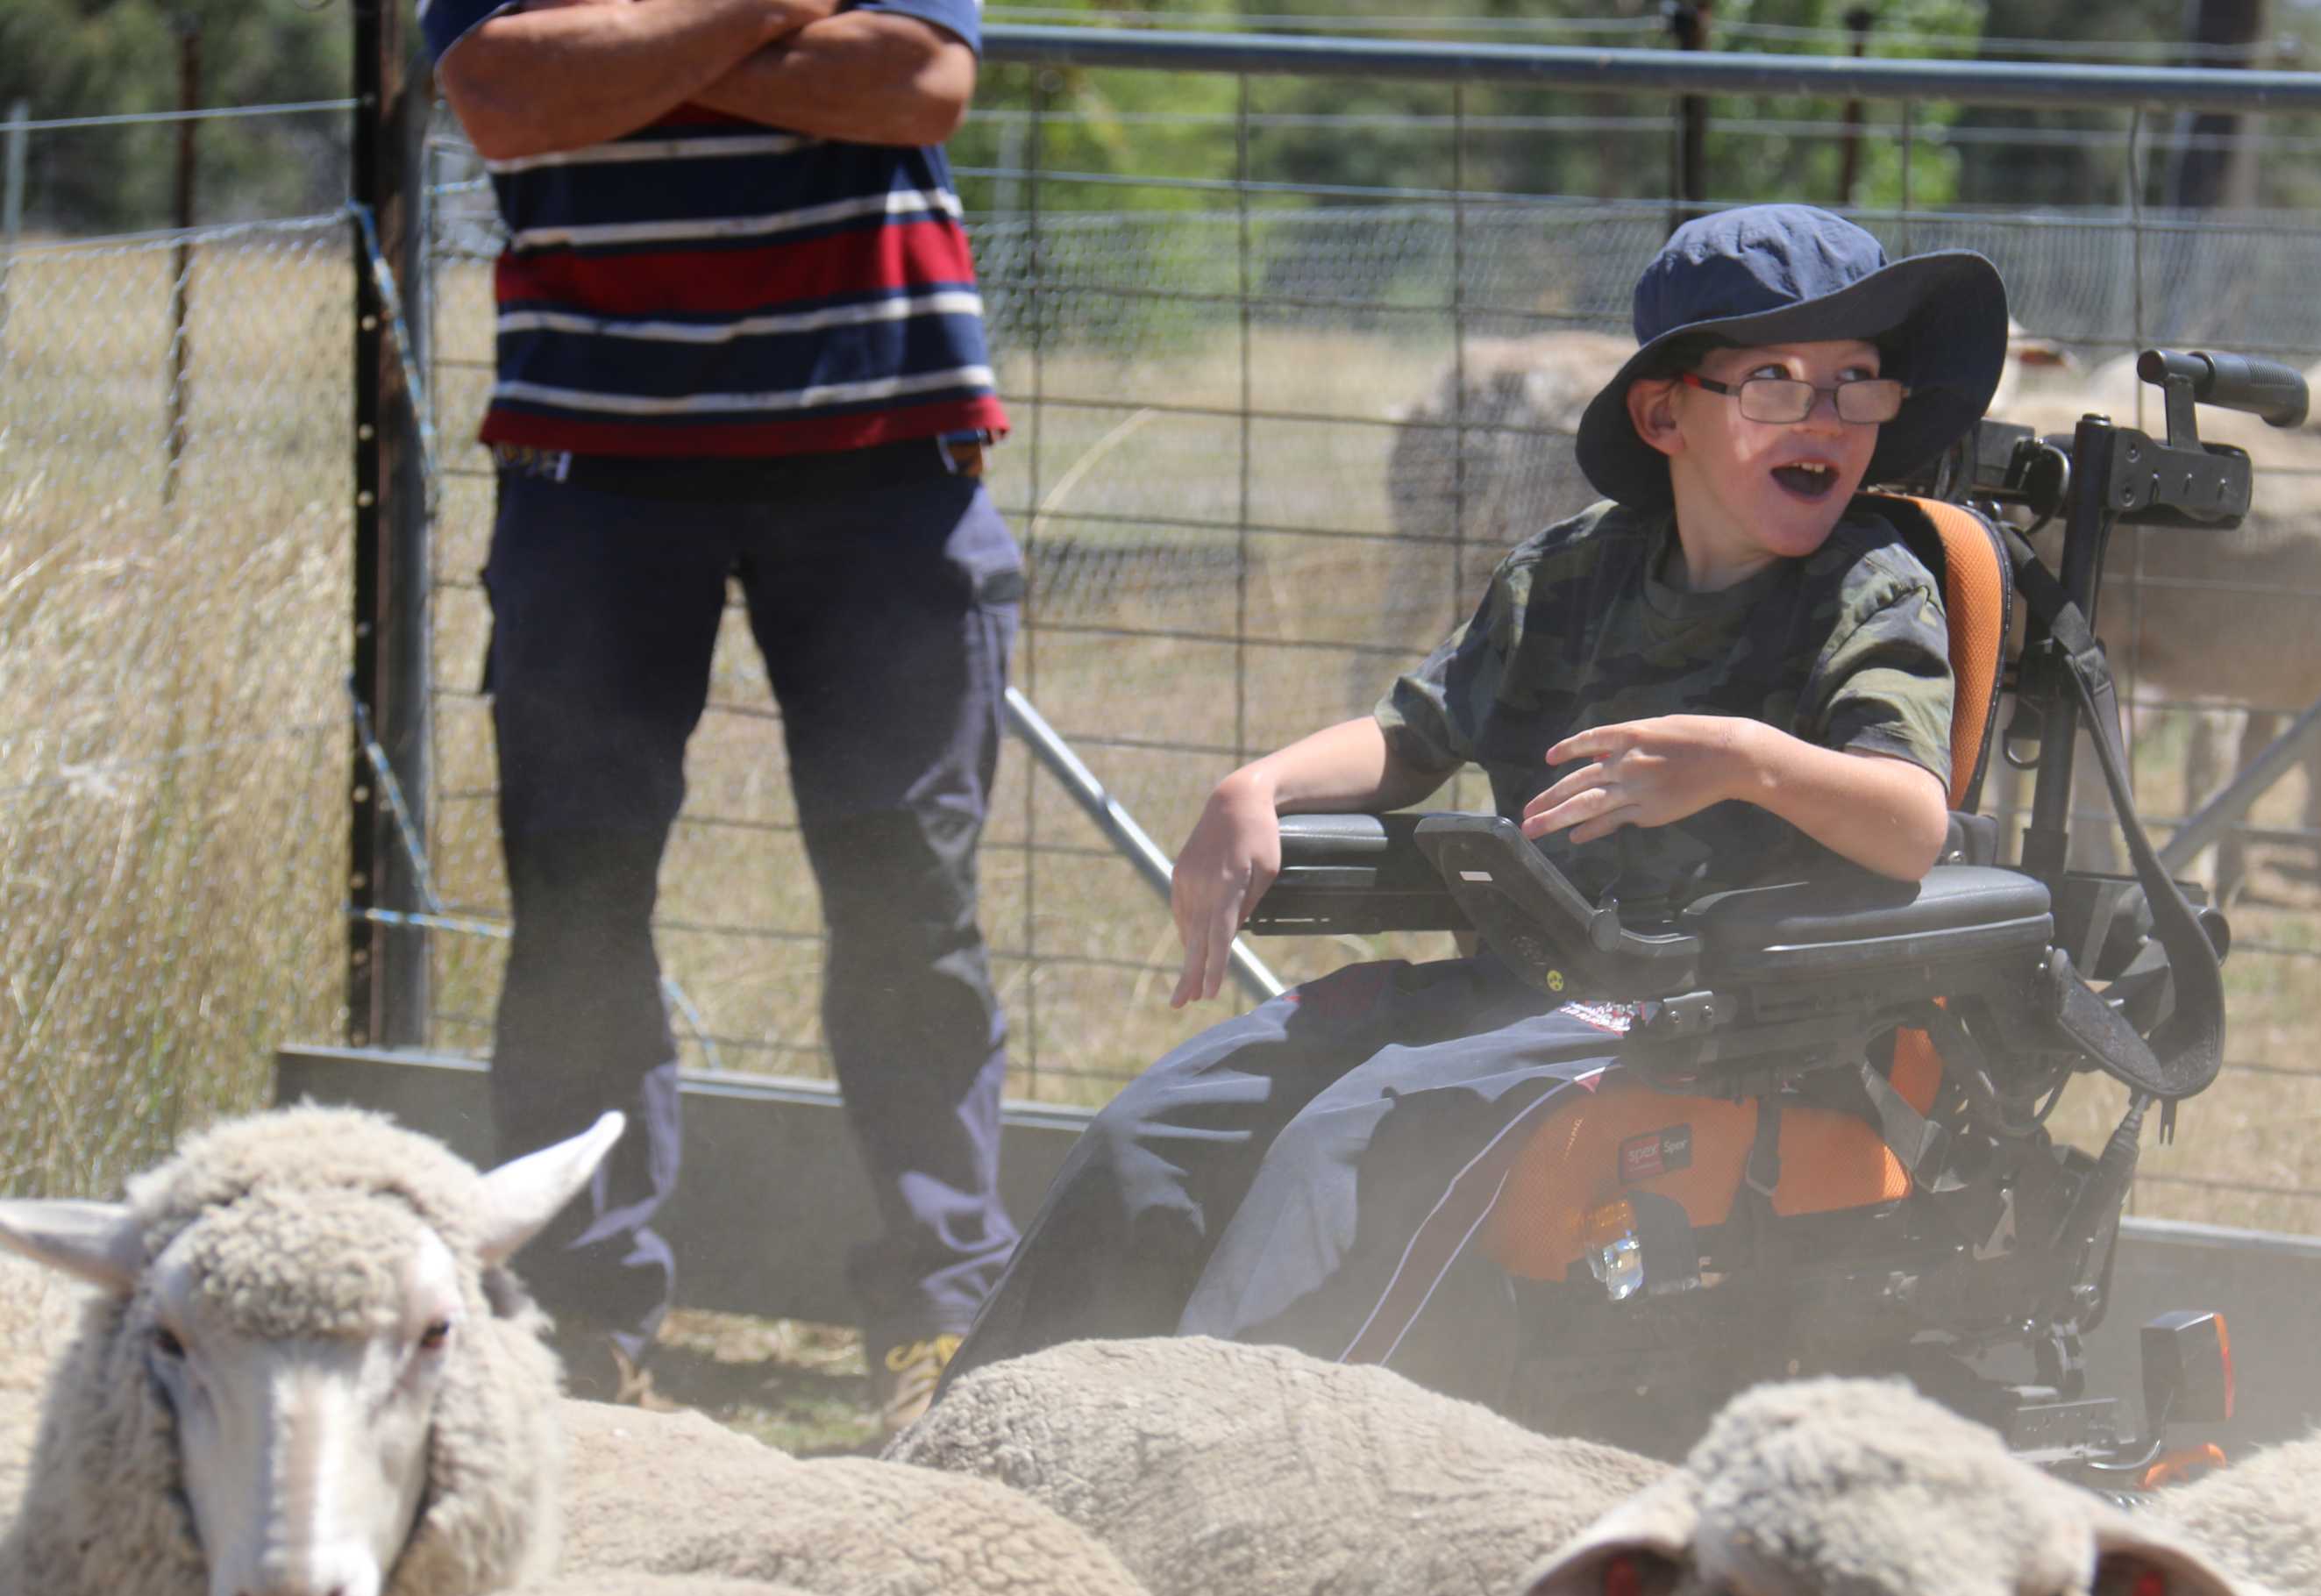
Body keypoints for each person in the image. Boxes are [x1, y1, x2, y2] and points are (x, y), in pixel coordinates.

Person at [945, 203, 2009, 1389]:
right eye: (1774, 380)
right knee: (1162, 1128)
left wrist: (1744, 759)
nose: (1824, 417)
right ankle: (1002, 1448)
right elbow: (1412, 738)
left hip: (1714, 1018)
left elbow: (1912, 821)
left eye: (1857, 384)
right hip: (1522, 991)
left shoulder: (1869, 588)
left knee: (1355, 1141)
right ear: (1666, 414)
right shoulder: (1567, 575)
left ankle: (1223, 1467)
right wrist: (1260, 785)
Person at [426, 0, 1023, 1429]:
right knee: (577, 905)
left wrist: (625, 59)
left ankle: (940, 1324)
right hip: (593, 461)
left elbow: (921, 81)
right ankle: (581, 1321)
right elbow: (504, 98)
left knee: (908, 902)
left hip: (886, 458)